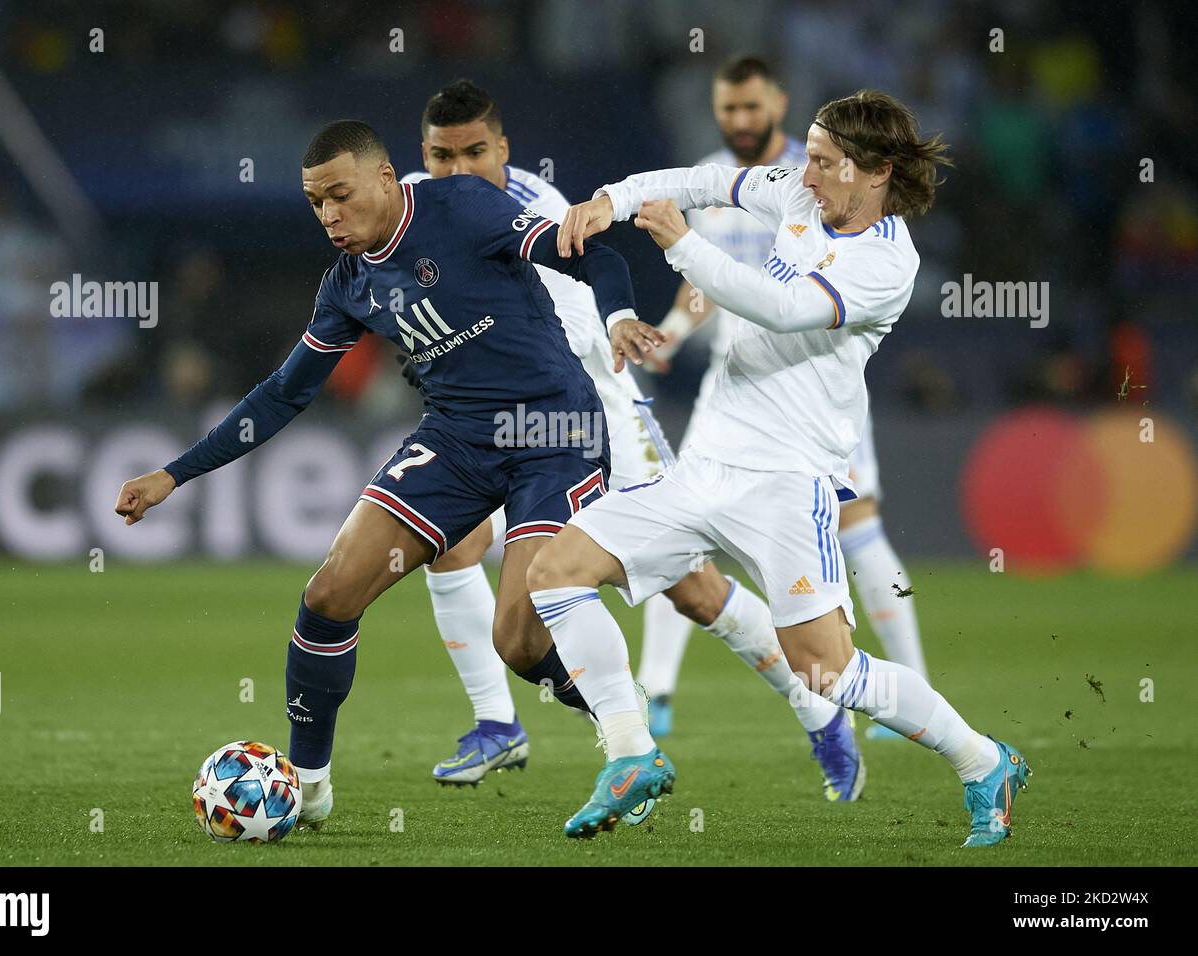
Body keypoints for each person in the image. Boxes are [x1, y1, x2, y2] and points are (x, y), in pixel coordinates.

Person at [113, 118, 664, 830]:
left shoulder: (462, 205)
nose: (330, 216)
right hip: (459, 438)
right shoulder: (348, 283)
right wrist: (173, 475)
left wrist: (619, 317)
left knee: (521, 640)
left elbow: (595, 256)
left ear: (384, 179)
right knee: (330, 592)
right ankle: (308, 788)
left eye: (340, 195)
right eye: (316, 203)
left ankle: (628, 739)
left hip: (551, 432)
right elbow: (284, 393)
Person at [531, 90, 1031, 847]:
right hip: (706, 464)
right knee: (555, 571)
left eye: (827, 162)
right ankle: (633, 752)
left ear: (876, 172)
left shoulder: (886, 262)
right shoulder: (798, 189)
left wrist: (680, 246)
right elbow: (698, 185)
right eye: (810, 153)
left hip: (788, 481)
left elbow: (783, 307)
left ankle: (983, 759)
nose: (808, 171)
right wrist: (614, 200)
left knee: (826, 673)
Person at [406, 79, 862, 808]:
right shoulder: (411, 203)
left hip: (596, 415)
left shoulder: (537, 215)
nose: (459, 173)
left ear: (505, 150)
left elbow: (578, 325)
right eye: (441, 157)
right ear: (421, 156)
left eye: (476, 154)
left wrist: (617, 318)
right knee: (450, 544)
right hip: (497, 421)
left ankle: (817, 709)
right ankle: (497, 722)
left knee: (694, 590)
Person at [643, 57, 929, 743]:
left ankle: (911, 680)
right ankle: (656, 689)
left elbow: (794, 299)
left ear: (777, 104)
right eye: (727, 109)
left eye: (750, 107)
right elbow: (703, 283)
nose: (738, 121)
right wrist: (675, 333)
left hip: (816, 390)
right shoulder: (725, 176)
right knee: (681, 520)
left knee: (860, 529)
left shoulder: (825, 173)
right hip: (738, 387)